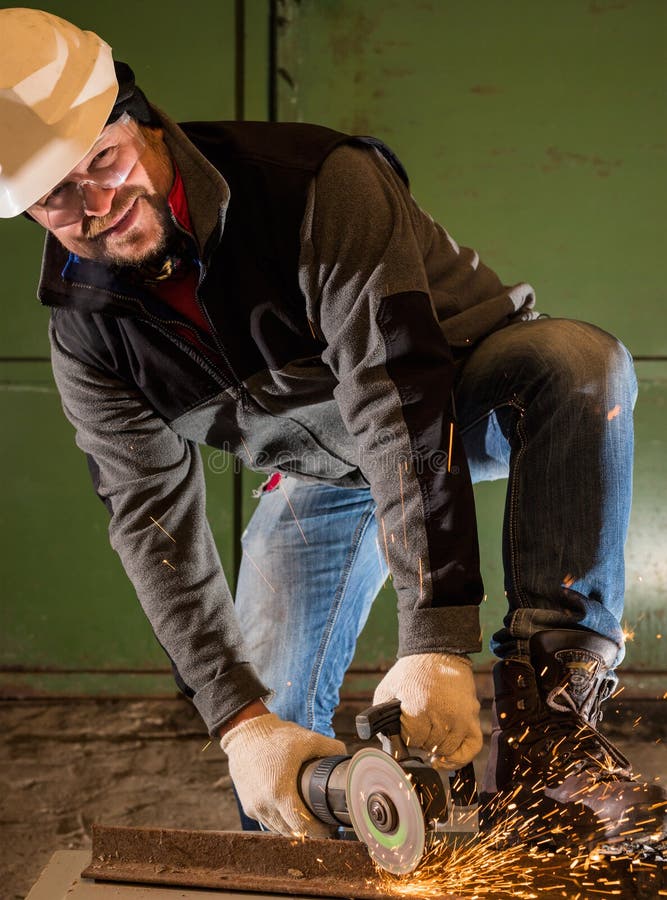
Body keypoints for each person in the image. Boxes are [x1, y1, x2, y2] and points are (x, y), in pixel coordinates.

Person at [2, 8, 663, 846]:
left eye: (102, 162)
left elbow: (397, 396)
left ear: (140, 120)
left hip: (451, 401)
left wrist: (434, 640)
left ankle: (552, 750)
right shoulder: (86, 330)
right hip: (320, 473)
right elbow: (150, 522)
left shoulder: (313, 182)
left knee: (576, 364)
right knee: (274, 754)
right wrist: (239, 723)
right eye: (54, 198)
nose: (96, 205)